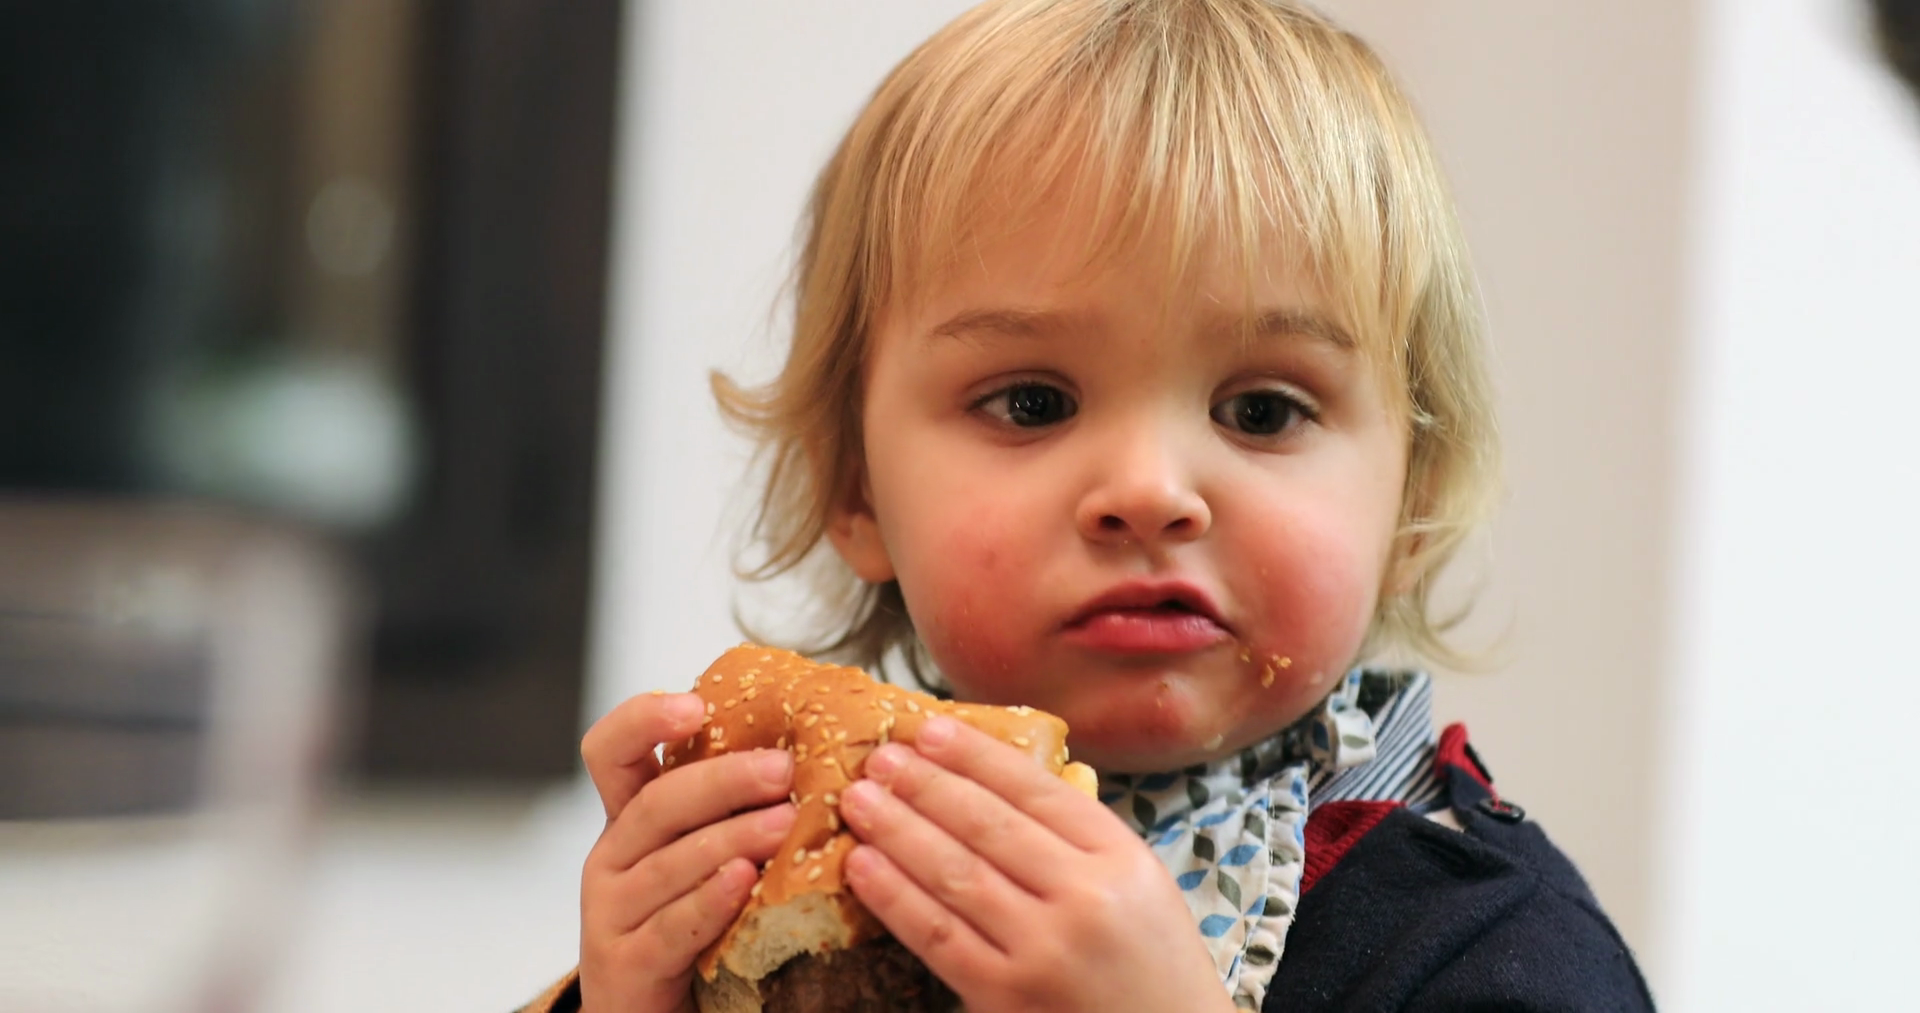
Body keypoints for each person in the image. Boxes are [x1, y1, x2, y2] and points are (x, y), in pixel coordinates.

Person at [526, 1, 1654, 1010]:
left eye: (1261, 410)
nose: (1149, 493)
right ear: (854, 488)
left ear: (1414, 501)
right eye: (1031, 400)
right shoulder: (801, 895)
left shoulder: (1493, 945)